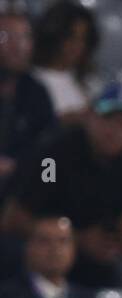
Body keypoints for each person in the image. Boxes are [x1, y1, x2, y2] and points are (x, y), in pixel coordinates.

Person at [3, 85, 122, 287]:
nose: (114, 130)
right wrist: (80, 240)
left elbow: (110, 223)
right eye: (107, 118)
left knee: (118, 269)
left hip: (77, 248)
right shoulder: (54, 157)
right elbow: (15, 221)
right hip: (32, 239)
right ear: (89, 117)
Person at [0, 215, 107, 298]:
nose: (55, 249)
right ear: (28, 247)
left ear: (74, 250)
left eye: (63, 241)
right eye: (44, 241)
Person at [0, 4, 55, 195]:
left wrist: (18, 168)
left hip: (18, 198)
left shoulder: (37, 94)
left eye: (25, 37)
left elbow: (51, 160)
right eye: (5, 37)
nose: (18, 46)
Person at [30, 0, 99, 122]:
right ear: (54, 36)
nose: (76, 46)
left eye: (83, 39)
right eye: (70, 37)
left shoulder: (89, 83)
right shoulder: (32, 80)